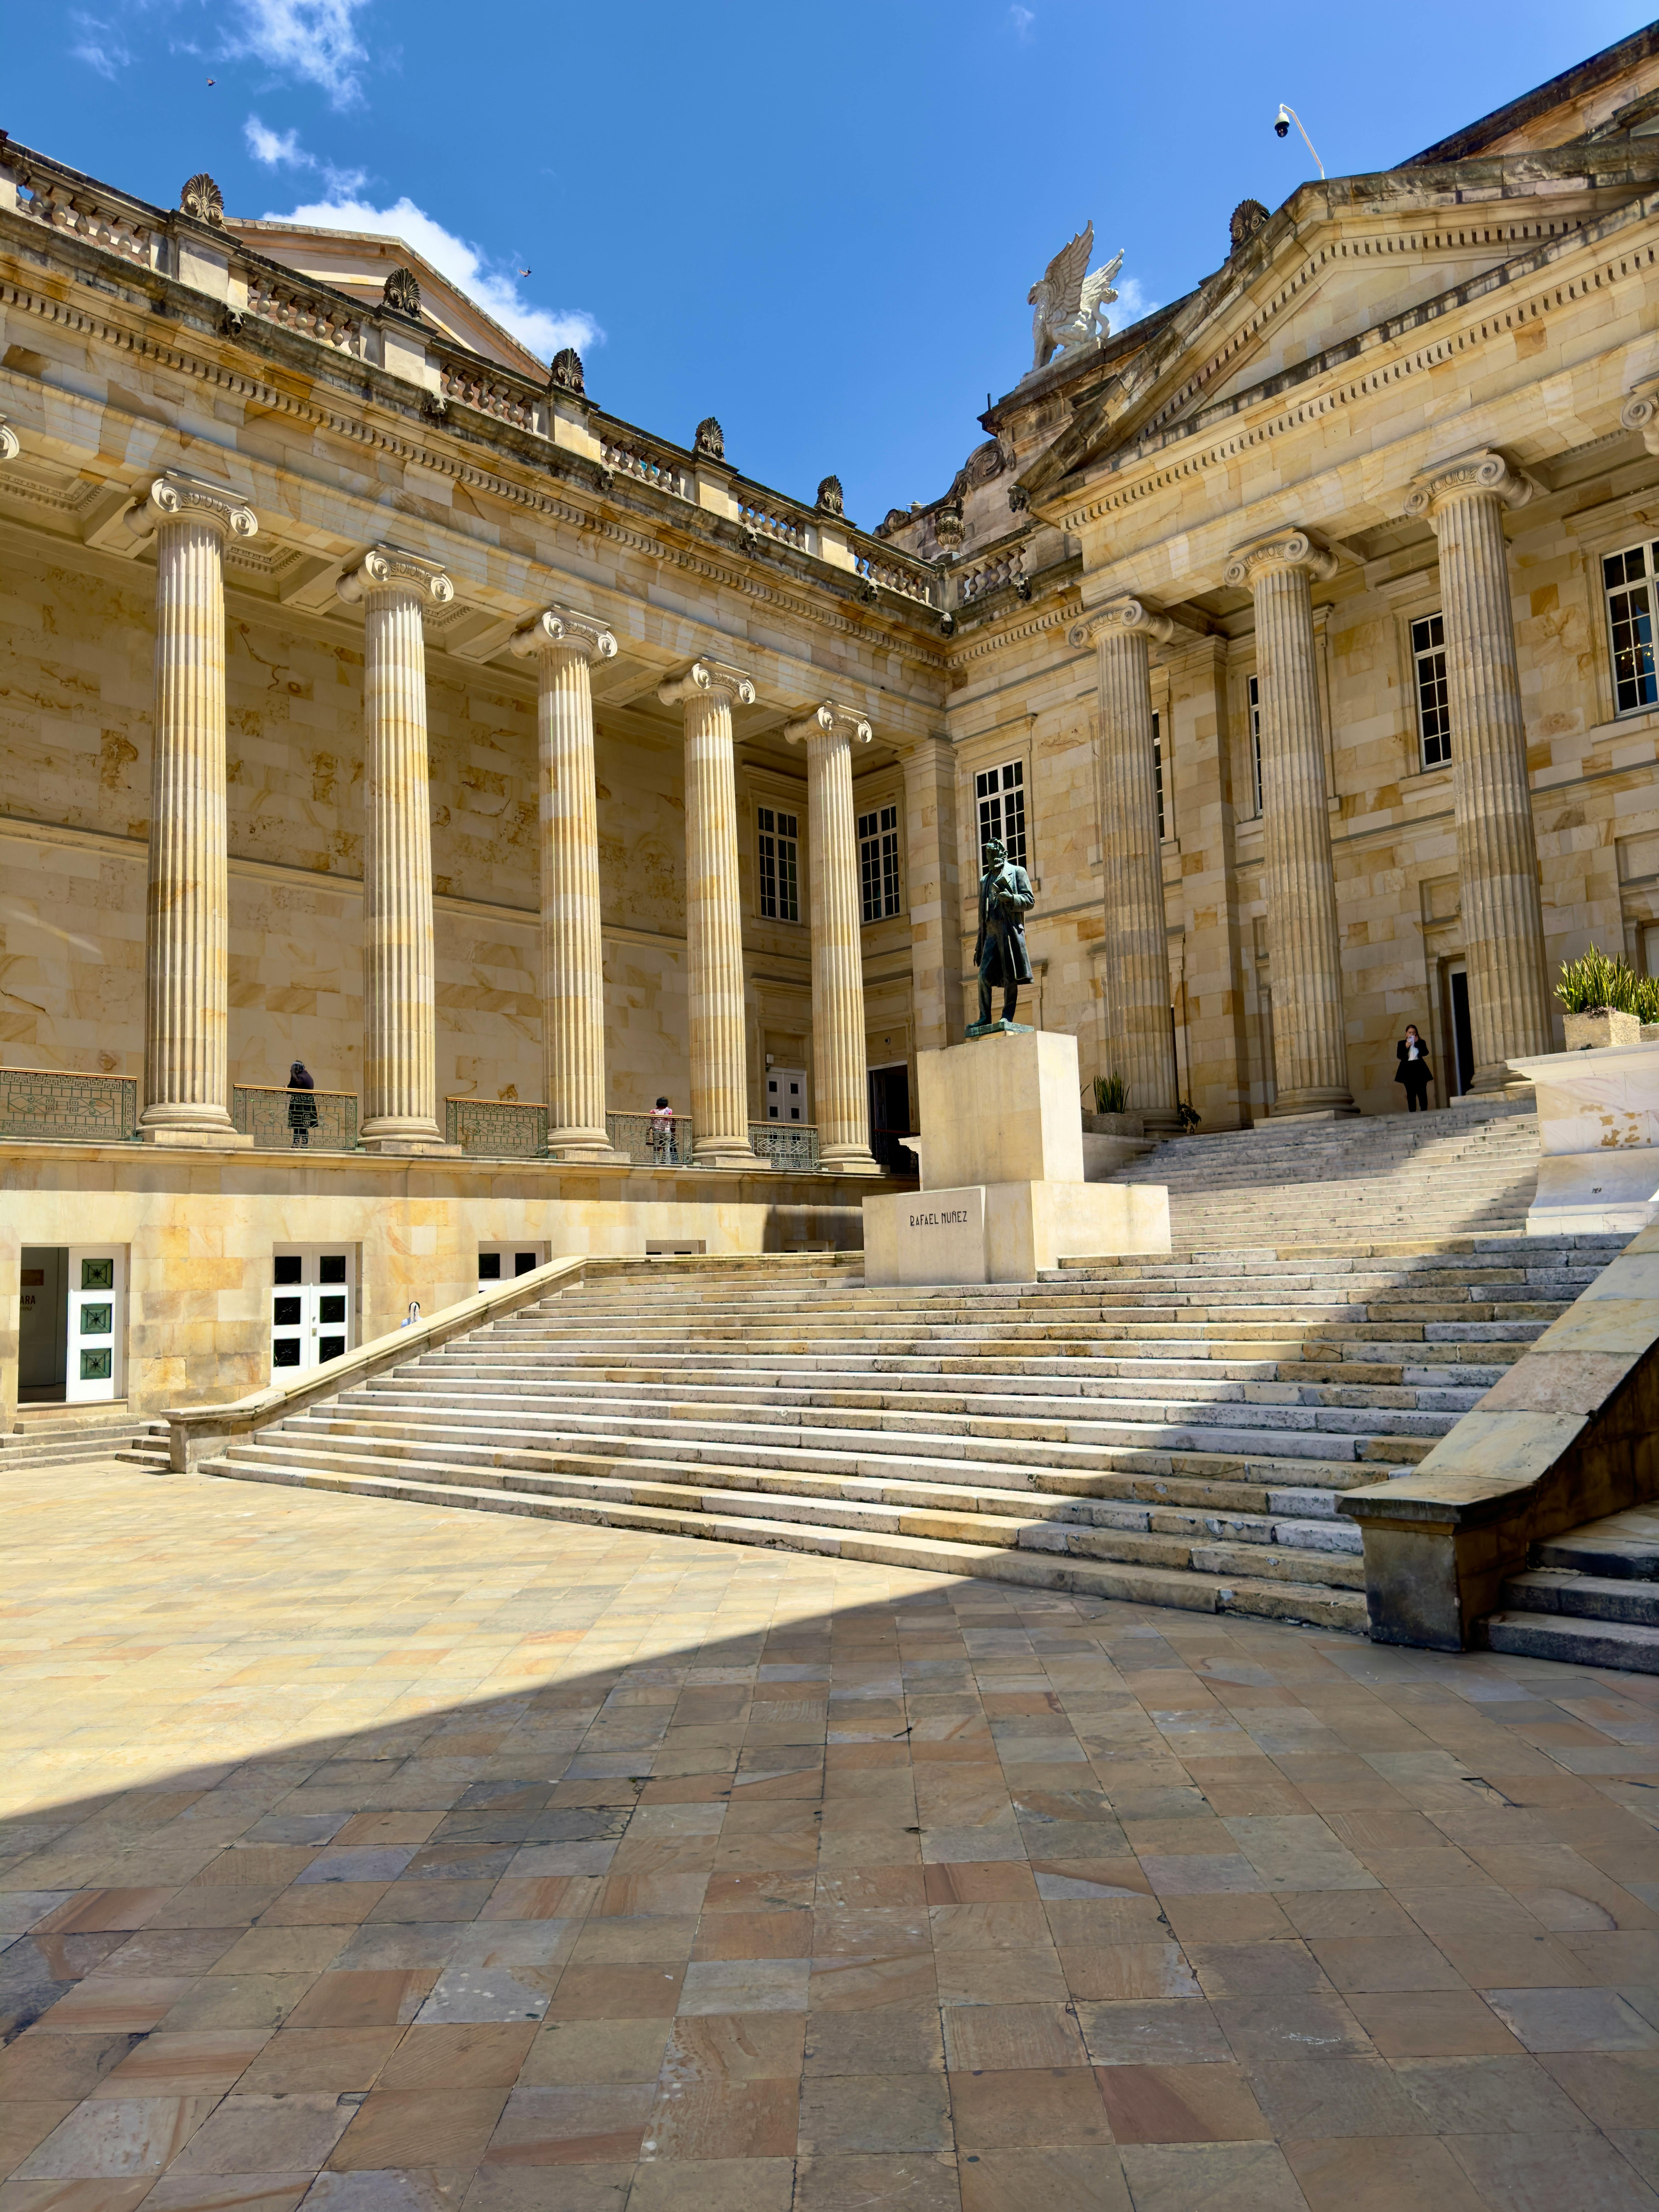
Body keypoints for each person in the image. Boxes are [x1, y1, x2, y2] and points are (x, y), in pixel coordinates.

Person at [971, 836, 1036, 1032]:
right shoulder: (985, 880)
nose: (990, 857)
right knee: (983, 976)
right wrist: (978, 946)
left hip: (1009, 931)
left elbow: (1030, 900)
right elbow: (982, 917)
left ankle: (1007, 1015)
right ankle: (984, 1017)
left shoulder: (1017, 872)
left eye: (993, 853)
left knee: (1011, 976)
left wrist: (1011, 899)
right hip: (991, 932)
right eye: (988, 853)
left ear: (1003, 853)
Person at [1394, 1025, 1433, 1112]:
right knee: (1411, 1093)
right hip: (1407, 1072)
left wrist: (1417, 1043)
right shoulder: (1401, 1043)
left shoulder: (1421, 1042)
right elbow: (1400, 1056)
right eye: (1410, 1033)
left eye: (1414, 1033)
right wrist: (1406, 1047)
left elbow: (1425, 1053)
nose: (1412, 1034)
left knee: (1422, 1092)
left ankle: (1424, 1110)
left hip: (1420, 1071)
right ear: (1406, 1034)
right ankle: (1413, 1112)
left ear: (1416, 1034)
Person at [287, 1060, 319, 1146]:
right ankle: (303, 1143)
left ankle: (297, 1143)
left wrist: (293, 1076)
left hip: (301, 1106)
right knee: (303, 1126)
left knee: (299, 1126)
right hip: (306, 1106)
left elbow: (293, 1088)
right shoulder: (307, 1076)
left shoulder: (302, 1078)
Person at [649, 1095, 675, 1164]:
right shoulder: (669, 1111)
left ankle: (656, 1162)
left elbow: (652, 1121)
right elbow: (671, 1120)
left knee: (656, 1148)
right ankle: (667, 1162)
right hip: (666, 1131)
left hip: (657, 1131)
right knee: (666, 1148)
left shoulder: (653, 1111)